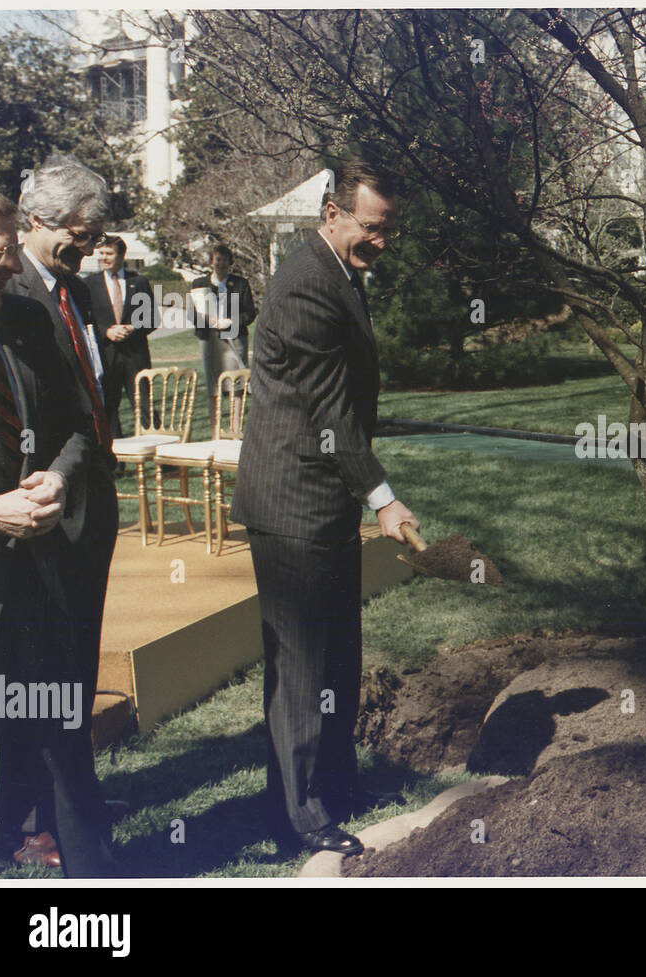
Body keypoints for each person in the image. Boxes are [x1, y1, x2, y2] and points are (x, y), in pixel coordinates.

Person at [231, 161, 417, 856]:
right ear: (332, 214)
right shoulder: (308, 286)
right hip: (293, 505)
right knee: (304, 668)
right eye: (371, 228)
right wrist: (384, 499)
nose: (381, 242)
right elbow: (331, 412)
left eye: (388, 229)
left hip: (322, 501)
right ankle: (299, 820)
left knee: (336, 660)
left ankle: (332, 792)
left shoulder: (338, 272)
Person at [0, 188, 118, 876]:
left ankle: (79, 854)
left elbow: (71, 419)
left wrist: (59, 477)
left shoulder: (18, 323)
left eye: (7, 252)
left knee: (55, 707)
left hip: (30, 555)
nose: (6, 268)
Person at [4, 155, 118, 701]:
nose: (89, 248)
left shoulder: (78, 290)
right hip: (44, 505)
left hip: (92, 493)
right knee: (44, 668)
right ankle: (54, 790)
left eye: (97, 237)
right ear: (36, 221)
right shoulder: (10, 294)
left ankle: (81, 790)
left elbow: (88, 390)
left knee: (80, 655)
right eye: (79, 235)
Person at [83, 235, 155, 436]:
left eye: (109, 253)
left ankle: (163, 462)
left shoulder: (138, 281)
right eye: (102, 253)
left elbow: (151, 319)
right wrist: (107, 331)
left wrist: (132, 328)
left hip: (135, 356)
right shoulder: (88, 284)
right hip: (106, 356)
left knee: (145, 408)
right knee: (109, 411)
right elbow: (84, 322)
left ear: (122, 255)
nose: (104, 258)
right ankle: (115, 465)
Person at [189, 244, 256, 427]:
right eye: (217, 259)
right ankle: (215, 430)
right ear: (211, 261)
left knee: (236, 383)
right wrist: (208, 321)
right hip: (209, 339)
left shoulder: (240, 284)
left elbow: (250, 313)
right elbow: (192, 314)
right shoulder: (199, 285)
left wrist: (232, 321)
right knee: (213, 385)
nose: (221, 263)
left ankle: (235, 429)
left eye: (225, 260)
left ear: (230, 263)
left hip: (234, 337)